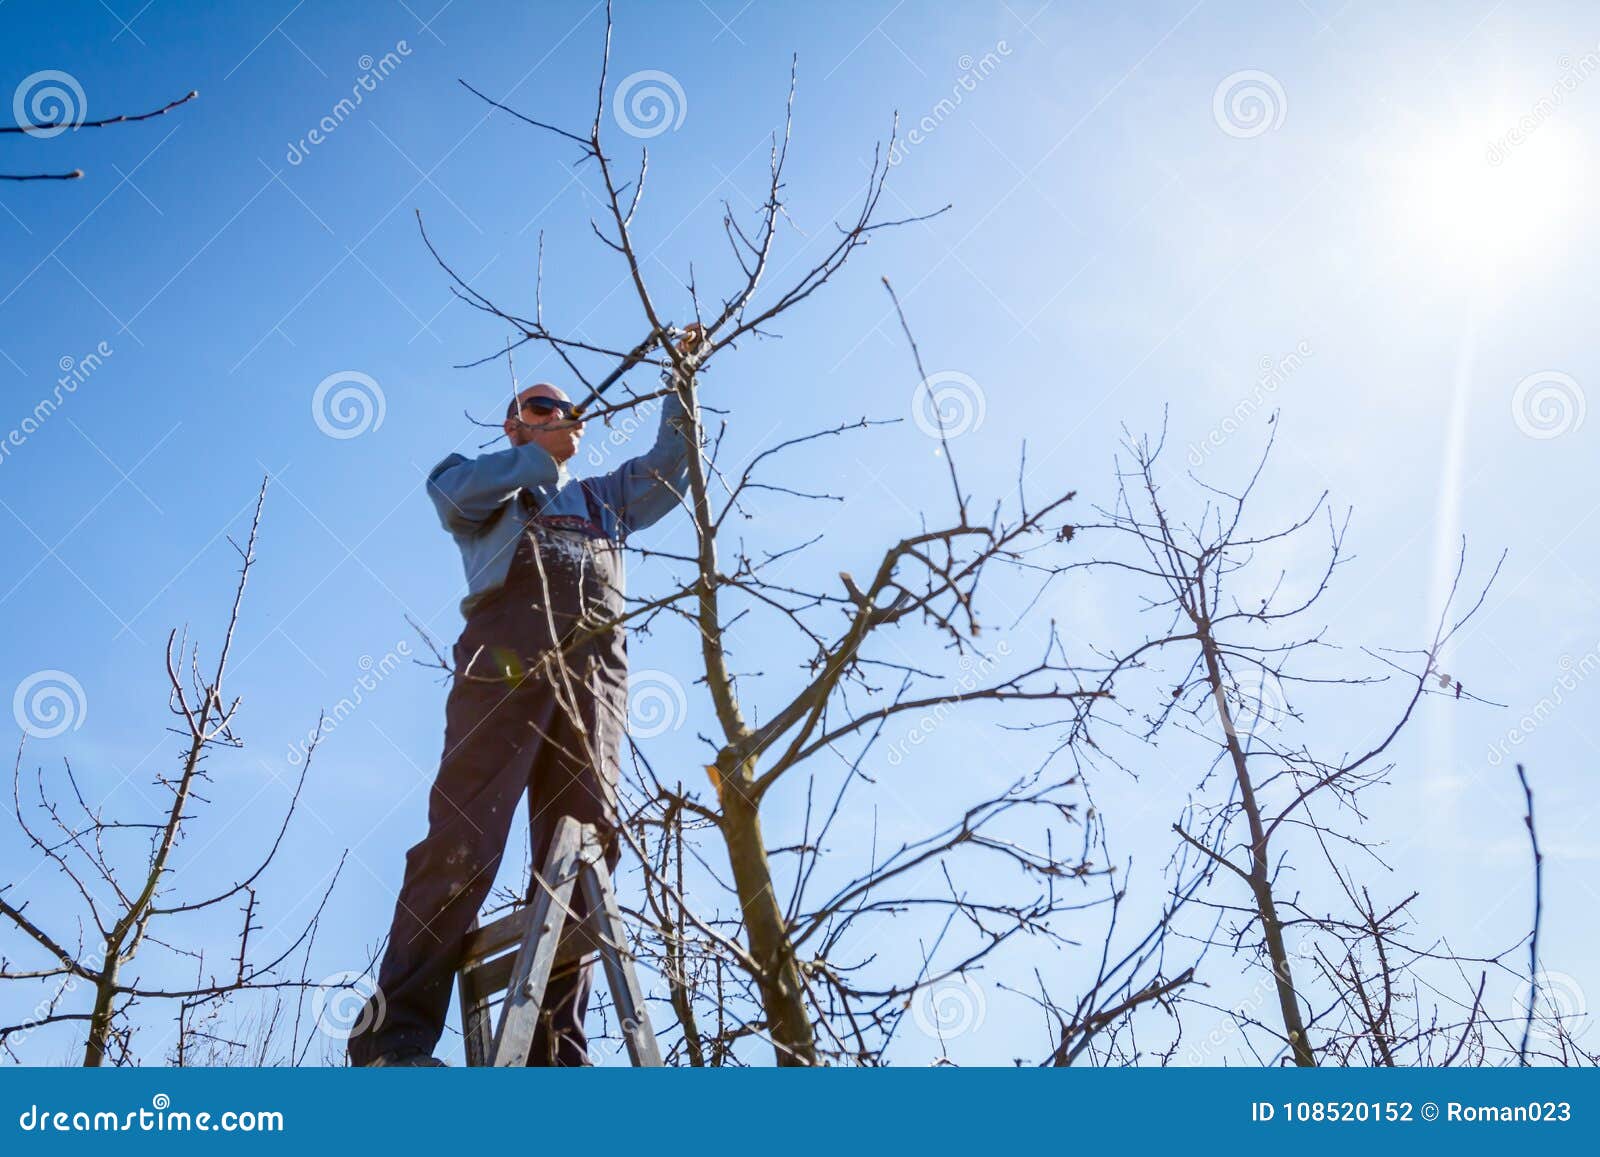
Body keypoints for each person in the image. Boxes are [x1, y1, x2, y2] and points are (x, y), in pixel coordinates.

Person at [348, 327, 701, 1067]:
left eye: (569, 408)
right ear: (515, 422)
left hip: (595, 676)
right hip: (505, 658)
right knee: (464, 838)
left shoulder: (605, 499)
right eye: (545, 404)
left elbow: (671, 470)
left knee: (582, 853)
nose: (565, 413)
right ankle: (394, 1039)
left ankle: (554, 1056)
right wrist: (537, 457)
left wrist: (681, 380)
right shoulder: (482, 482)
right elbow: (447, 492)